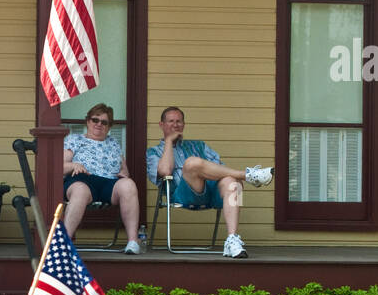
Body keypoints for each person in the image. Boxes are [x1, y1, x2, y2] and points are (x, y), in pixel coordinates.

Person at [146, 106, 273, 259]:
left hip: (211, 192)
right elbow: (165, 172)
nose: (175, 125)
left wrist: (220, 174)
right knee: (192, 163)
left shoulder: (200, 145)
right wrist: (168, 143)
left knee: (234, 183)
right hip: (182, 194)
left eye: (179, 121)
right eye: (171, 121)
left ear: (184, 125)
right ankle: (247, 175)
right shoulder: (153, 152)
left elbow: (221, 170)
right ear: (161, 125)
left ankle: (232, 240)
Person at [63, 103, 141, 253]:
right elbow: (59, 166)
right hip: (83, 179)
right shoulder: (75, 139)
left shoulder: (113, 143)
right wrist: (74, 165)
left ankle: (133, 241)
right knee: (79, 191)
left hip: (109, 183)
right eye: (95, 120)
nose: (99, 124)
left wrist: (124, 174)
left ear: (109, 126)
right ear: (88, 121)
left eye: (104, 122)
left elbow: (124, 168)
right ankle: (64, 243)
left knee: (129, 185)